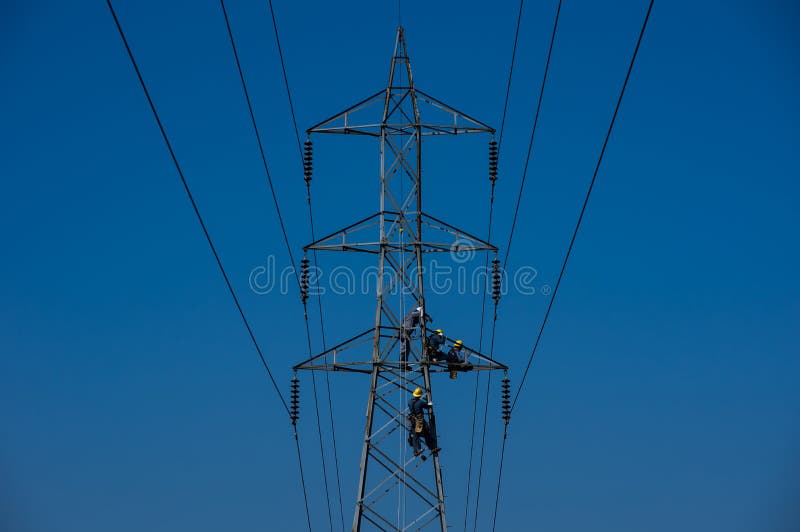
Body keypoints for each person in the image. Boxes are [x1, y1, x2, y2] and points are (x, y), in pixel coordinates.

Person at [407, 387, 440, 458]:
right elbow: (428, 407)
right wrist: (430, 404)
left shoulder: (410, 401)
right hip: (419, 421)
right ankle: (432, 448)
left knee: (416, 435)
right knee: (426, 433)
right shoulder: (420, 402)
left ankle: (416, 450)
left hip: (412, 421)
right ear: (420, 395)